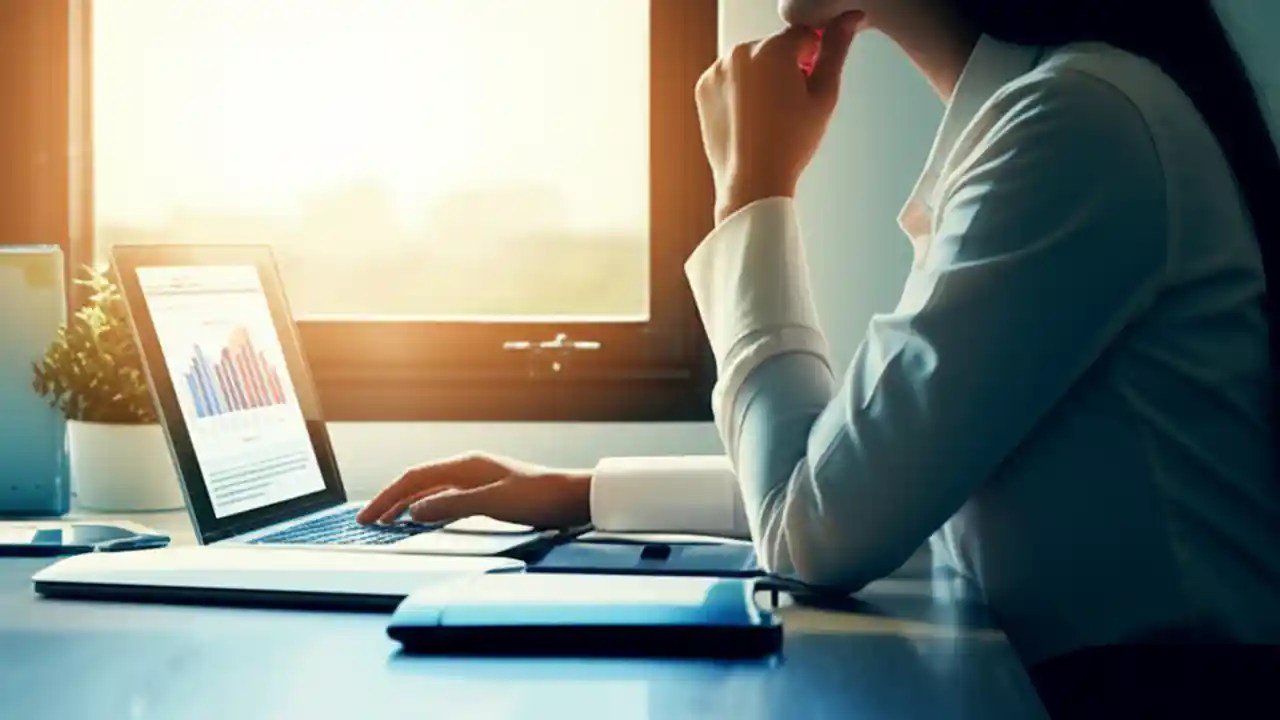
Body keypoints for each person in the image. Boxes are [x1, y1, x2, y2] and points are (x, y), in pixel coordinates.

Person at [361, 0, 1280, 713]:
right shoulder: (1055, 109)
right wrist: (577, 491)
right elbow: (871, 473)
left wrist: (751, 191)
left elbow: (814, 531)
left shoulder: (1080, 121)